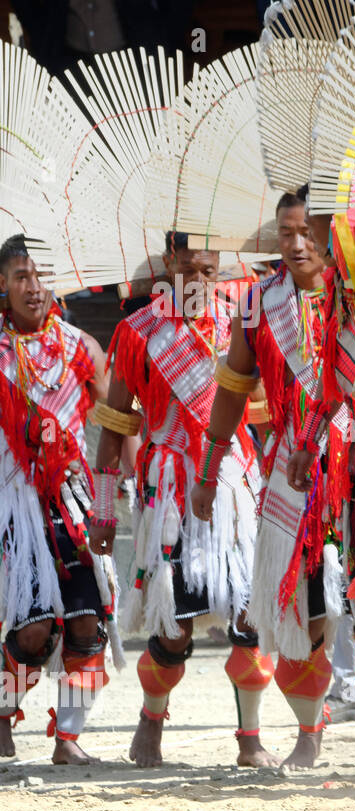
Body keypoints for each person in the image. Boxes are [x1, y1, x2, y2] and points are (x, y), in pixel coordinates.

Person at [88, 232, 266, 767]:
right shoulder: (137, 332)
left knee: (249, 616)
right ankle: (150, 723)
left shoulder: (241, 321)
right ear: (170, 262)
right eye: (187, 264)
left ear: (221, 263)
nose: (198, 275)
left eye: (208, 266)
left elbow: (260, 404)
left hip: (233, 479)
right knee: (174, 626)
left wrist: (229, 373)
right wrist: (101, 511)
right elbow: (115, 426)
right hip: (170, 487)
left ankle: (250, 738)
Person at [191, 190, 335, 771]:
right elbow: (231, 391)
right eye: (285, 233)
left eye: (307, 232)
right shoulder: (257, 304)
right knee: (296, 604)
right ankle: (310, 732)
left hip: (352, 465)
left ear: (327, 233)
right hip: (288, 471)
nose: (296, 245)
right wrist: (207, 471)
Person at [0, 234, 116, 764]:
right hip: (12, 502)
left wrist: (114, 497)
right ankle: (2, 715)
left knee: (88, 624)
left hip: (70, 502)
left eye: (41, 276)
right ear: (2, 283)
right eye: (21, 276)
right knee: (33, 632)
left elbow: (117, 423)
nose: (33, 287)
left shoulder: (78, 346)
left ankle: (67, 739)